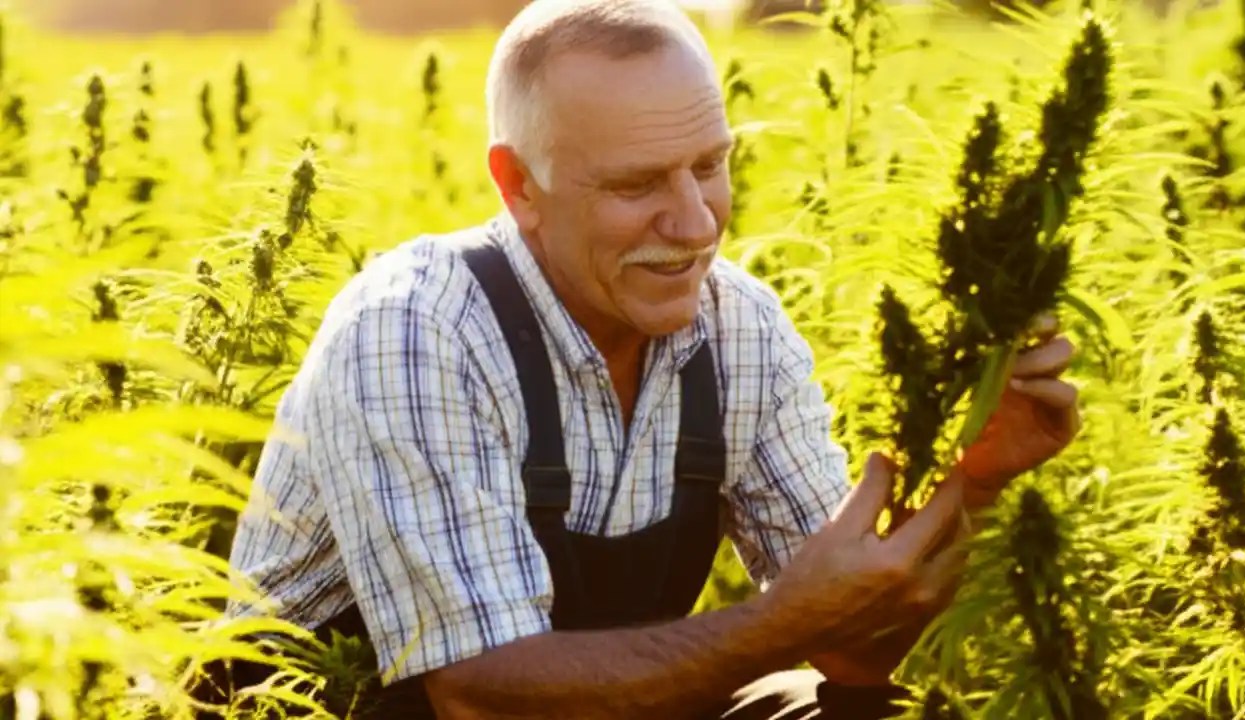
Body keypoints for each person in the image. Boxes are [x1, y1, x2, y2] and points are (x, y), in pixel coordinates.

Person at [210, 1, 1081, 718]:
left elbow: (853, 651)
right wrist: (779, 620)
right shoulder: (417, 326)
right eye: (637, 184)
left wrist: (975, 480)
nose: (697, 224)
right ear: (520, 187)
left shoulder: (739, 328)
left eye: (710, 166)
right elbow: (478, 693)